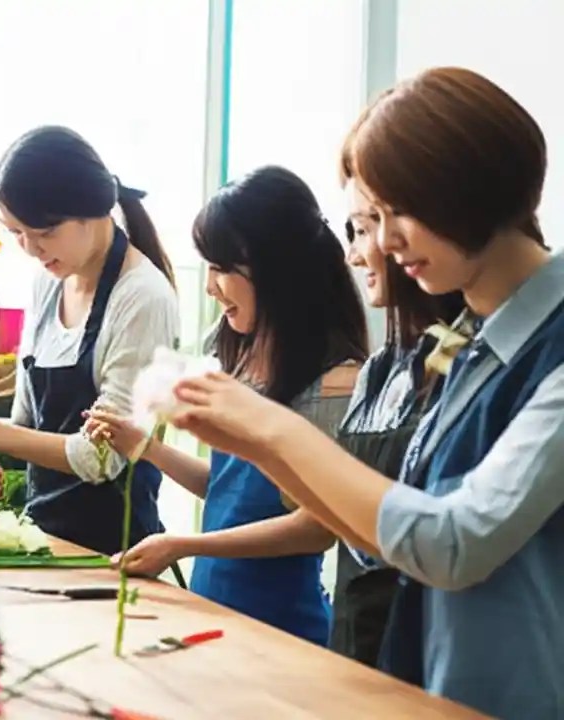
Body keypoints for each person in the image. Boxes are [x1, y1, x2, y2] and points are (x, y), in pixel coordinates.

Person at [165, 67, 561, 719]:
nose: (379, 243)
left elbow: (454, 545)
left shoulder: (544, 345)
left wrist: (272, 430)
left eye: (397, 211)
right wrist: (252, 441)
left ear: (478, 187)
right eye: (371, 218)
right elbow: (379, 537)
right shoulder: (466, 343)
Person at [86, 165, 369, 647]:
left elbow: (314, 527)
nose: (210, 286)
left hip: (282, 633)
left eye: (220, 269)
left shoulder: (338, 383)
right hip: (215, 615)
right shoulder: (242, 366)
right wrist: (145, 448)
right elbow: (229, 491)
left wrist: (184, 544)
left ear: (274, 271)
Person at [0, 125, 180, 556]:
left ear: (92, 211)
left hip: (116, 557)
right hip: (45, 542)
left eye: (44, 232)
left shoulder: (142, 297)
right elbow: (25, 426)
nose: (30, 248)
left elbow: (101, 458)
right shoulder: (49, 283)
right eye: (15, 232)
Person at [328, 164, 465, 665]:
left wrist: (268, 433)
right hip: (351, 639)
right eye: (359, 229)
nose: (360, 250)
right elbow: (341, 522)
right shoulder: (379, 369)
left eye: (365, 229)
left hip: (418, 652)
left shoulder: (462, 369)